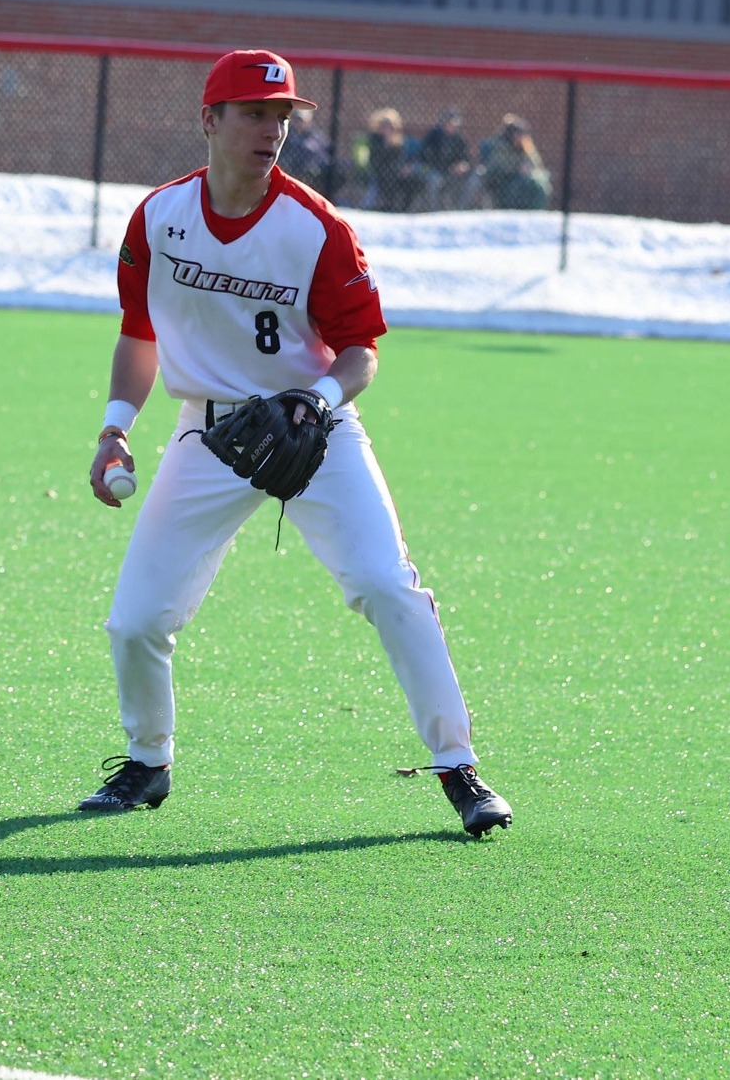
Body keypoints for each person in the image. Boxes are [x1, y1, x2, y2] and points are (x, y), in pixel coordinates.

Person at [78, 49, 513, 838]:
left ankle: (459, 767)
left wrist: (314, 400)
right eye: (253, 113)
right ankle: (148, 762)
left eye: (282, 116)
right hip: (207, 432)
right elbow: (139, 333)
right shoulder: (158, 218)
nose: (271, 129)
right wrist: (115, 427)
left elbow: (361, 353)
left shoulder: (316, 227)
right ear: (209, 120)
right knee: (135, 621)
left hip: (317, 430)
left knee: (386, 584)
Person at [480, 114, 553, 210]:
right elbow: (497, 167)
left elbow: (536, 164)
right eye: (518, 135)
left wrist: (529, 168)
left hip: (523, 179)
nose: (520, 138)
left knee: (540, 185)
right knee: (519, 187)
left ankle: (536, 212)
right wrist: (516, 168)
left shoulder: (526, 147)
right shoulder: (500, 146)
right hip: (503, 182)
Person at [353, 107, 419, 213]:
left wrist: (405, 168)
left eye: (390, 127)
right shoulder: (374, 139)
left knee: (410, 181)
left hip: (395, 172)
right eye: (384, 127)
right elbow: (374, 161)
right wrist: (384, 144)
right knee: (384, 179)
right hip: (376, 172)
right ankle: (381, 206)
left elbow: (399, 161)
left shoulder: (398, 142)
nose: (387, 130)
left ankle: (401, 209)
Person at [418, 108, 477, 210]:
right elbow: (426, 158)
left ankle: (459, 209)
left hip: (454, 174)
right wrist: (448, 167)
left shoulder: (459, 138)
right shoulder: (433, 136)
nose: (452, 126)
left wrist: (463, 165)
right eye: (450, 122)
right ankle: (434, 210)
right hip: (435, 171)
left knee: (473, 180)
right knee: (435, 179)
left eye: (455, 123)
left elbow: (467, 159)